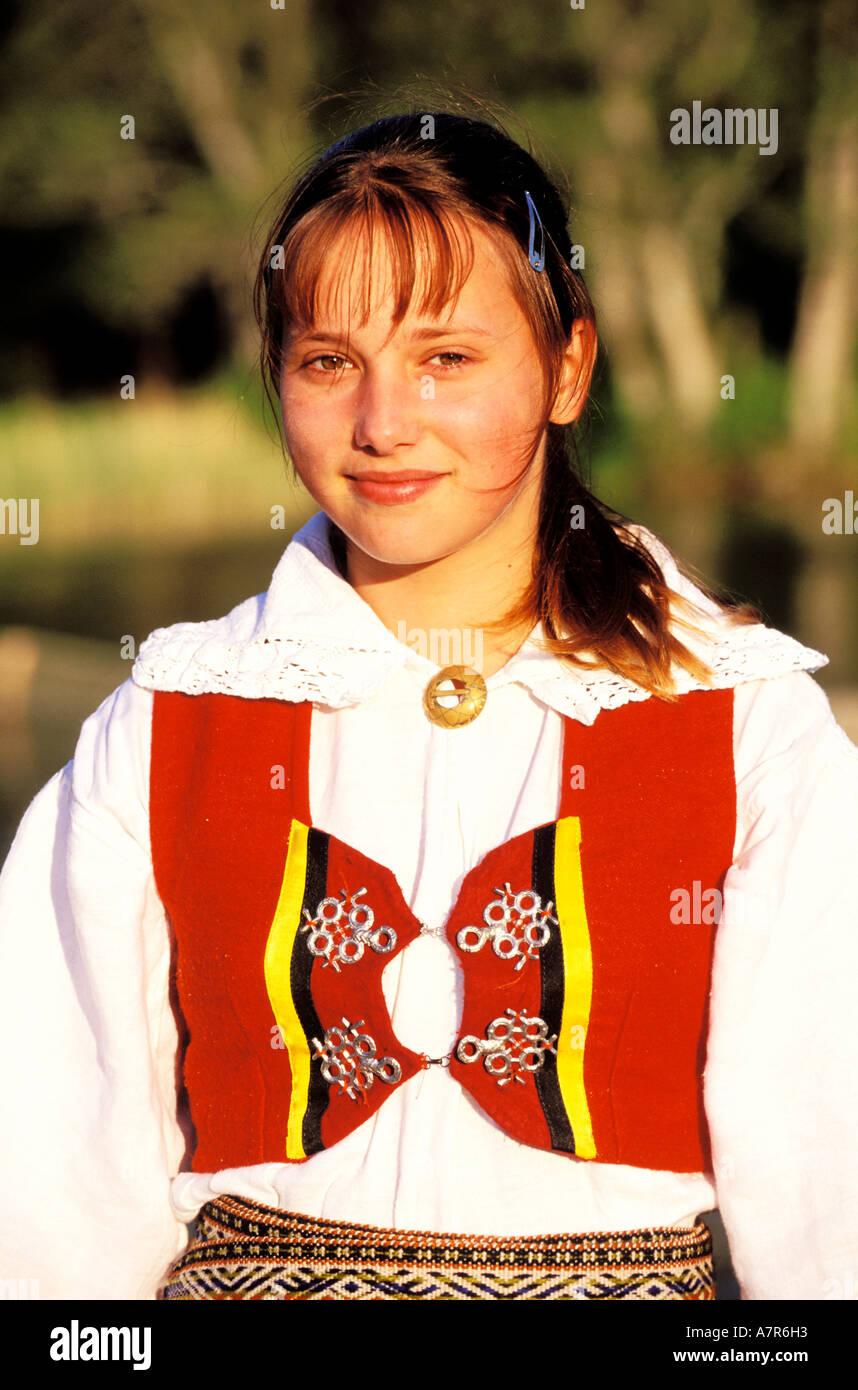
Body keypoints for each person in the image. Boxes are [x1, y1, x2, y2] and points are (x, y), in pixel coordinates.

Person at [1, 109, 856, 1302]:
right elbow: (50, 1201)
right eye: (328, 362)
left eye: (446, 358)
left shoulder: (749, 727)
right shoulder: (163, 725)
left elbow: (830, 1202)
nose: (382, 423)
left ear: (568, 369)